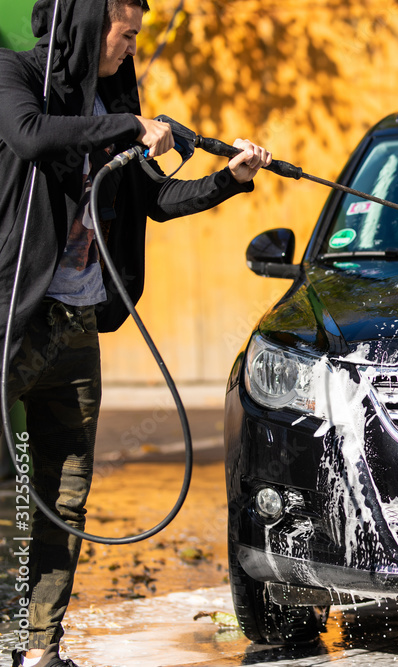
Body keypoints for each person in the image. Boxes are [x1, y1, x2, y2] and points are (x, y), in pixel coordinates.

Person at [0, 1, 272, 665]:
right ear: (94, 23)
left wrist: (227, 181)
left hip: (79, 326)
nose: (133, 46)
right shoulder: (16, 76)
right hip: (16, 322)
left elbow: (152, 198)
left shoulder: (122, 93)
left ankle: (41, 648)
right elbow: (32, 136)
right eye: (127, 32)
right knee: (7, 494)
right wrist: (127, 127)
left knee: (66, 496)